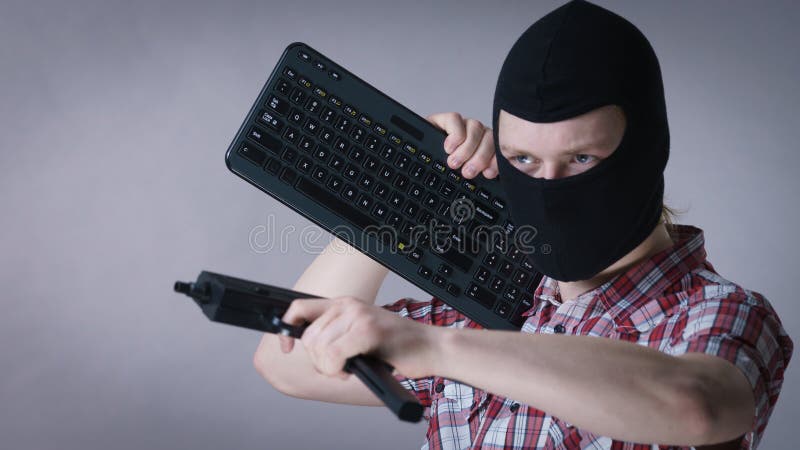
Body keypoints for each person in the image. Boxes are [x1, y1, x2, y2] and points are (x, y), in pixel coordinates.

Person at [253, 1, 793, 448]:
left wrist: (437, 349)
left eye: (582, 159)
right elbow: (291, 363)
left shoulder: (720, 313)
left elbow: (697, 405)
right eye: (524, 162)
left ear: (647, 152)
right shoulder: (490, 304)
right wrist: (408, 201)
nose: (549, 187)